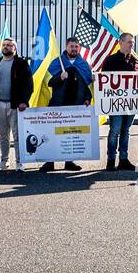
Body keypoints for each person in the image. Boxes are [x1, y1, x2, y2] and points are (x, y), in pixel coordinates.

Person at [41, 35, 92, 172]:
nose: (74, 48)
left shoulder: (83, 64)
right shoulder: (58, 62)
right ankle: (49, 162)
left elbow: (88, 84)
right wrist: (60, 78)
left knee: (71, 135)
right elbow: (48, 82)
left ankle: (69, 162)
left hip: (76, 105)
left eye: (76, 46)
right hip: (58, 103)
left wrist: (88, 98)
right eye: (71, 46)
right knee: (53, 134)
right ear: (66, 47)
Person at [0, 36, 33, 172]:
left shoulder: (21, 63)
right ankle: (4, 161)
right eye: (4, 45)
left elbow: (28, 85)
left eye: (9, 45)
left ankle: (19, 162)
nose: (6, 47)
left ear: (15, 48)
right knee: (3, 135)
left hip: (15, 105)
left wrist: (24, 101)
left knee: (17, 135)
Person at [100, 32, 138, 171]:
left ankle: (124, 159)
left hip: (131, 104)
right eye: (129, 42)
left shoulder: (137, 62)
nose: (132, 45)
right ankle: (111, 159)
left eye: (133, 42)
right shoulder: (111, 60)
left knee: (126, 130)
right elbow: (104, 80)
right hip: (116, 103)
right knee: (115, 130)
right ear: (121, 42)